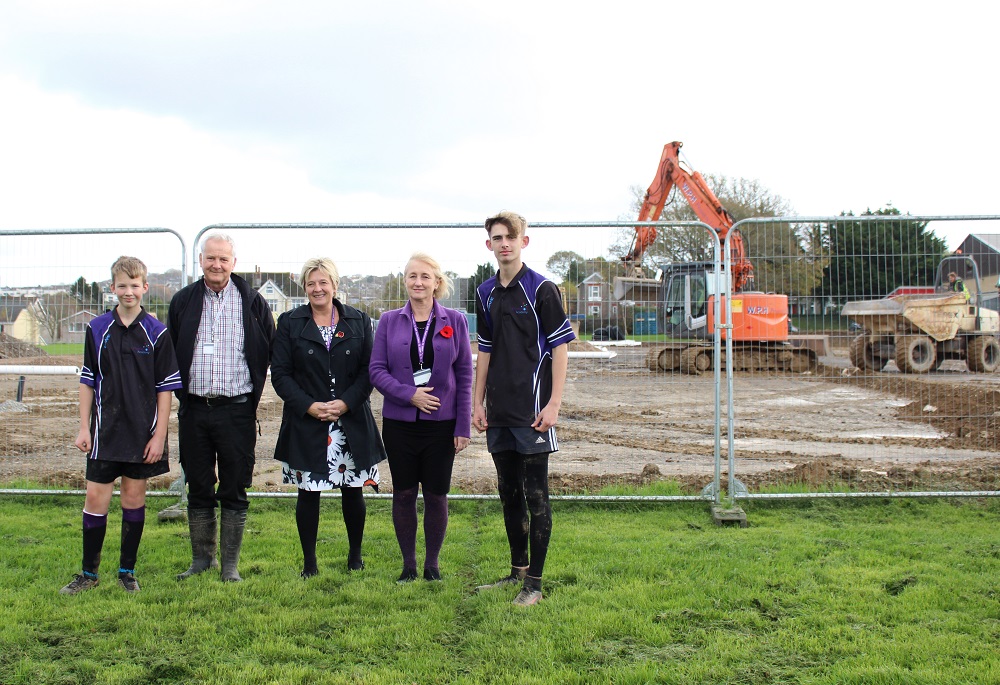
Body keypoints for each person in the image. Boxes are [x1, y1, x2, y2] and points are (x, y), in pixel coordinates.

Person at [61, 256, 182, 594]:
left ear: (145, 287)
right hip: (104, 432)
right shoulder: (96, 329)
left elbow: (165, 389)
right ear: (112, 288)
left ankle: (127, 572)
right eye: (122, 286)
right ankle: (88, 574)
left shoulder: (157, 332)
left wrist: (159, 436)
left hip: (142, 433)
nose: (129, 292)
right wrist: (84, 427)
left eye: (135, 285)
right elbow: (88, 379)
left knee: (133, 497)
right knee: (95, 498)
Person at [472, 211, 575, 606]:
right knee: (508, 493)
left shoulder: (542, 290)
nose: (504, 244)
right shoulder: (485, 293)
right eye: (497, 238)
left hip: (533, 413)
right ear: (489, 245)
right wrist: (477, 402)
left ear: (524, 242)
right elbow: (485, 349)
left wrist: (554, 403)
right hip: (498, 413)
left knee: (536, 495)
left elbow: (561, 347)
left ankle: (535, 584)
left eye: (510, 237)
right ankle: (516, 571)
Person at [168, 233, 275, 582]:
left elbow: (265, 353)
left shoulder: (254, 303)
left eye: (223, 259)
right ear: (200, 260)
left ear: (233, 262)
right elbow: (171, 352)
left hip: (237, 410)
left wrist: (250, 403)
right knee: (198, 485)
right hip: (195, 410)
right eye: (210, 258)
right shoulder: (183, 301)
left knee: (234, 485)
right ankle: (202, 560)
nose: (217, 265)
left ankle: (230, 565)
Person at [271, 257, 386, 578]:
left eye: (324, 282)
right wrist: (309, 405)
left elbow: (369, 371)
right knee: (308, 492)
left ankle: (355, 556)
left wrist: (346, 403)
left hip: (350, 420)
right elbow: (280, 374)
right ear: (304, 287)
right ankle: (310, 563)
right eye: (311, 284)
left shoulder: (358, 321)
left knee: (353, 490)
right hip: (307, 420)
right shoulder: (290, 322)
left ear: (335, 285)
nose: (317, 289)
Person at [370, 253, 473, 583]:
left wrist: (462, 425)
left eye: (425, 277)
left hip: (442, 425)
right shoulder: (389, 321)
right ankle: (409, 565)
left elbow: (465, 376)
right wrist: (407, 394)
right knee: (403, 493)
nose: (418, 282)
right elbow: (376, 370)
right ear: (405, 281)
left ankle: (432, 565)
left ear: (437, 283)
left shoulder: (454, 320)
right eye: (412, 276)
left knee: (436, 494)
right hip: (400, 423)